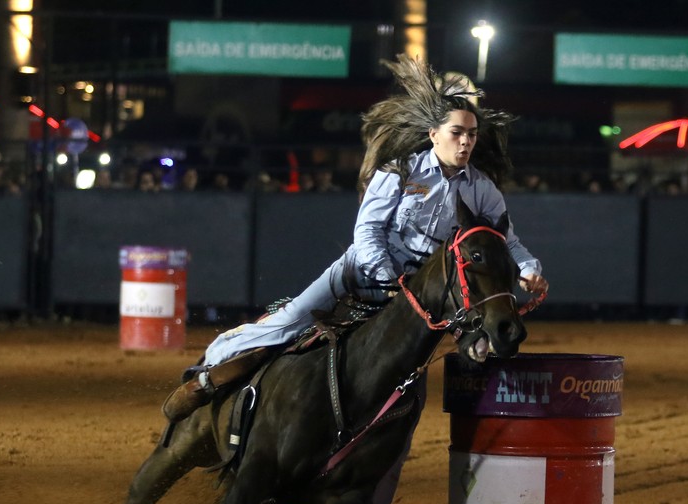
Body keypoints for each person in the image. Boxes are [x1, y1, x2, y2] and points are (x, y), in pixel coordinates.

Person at [163, 55, 548, 424]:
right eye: (457, 133)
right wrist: (387, 278)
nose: (466, 142)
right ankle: (210, 368)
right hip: (363, 273)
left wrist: (529, 269)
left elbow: (507, 242)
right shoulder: (399, 171)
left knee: (464, 350)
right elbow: (367, 231)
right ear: (433, 135)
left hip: (424, 293)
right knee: (291, 321)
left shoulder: (482, 189)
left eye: (472, 135)